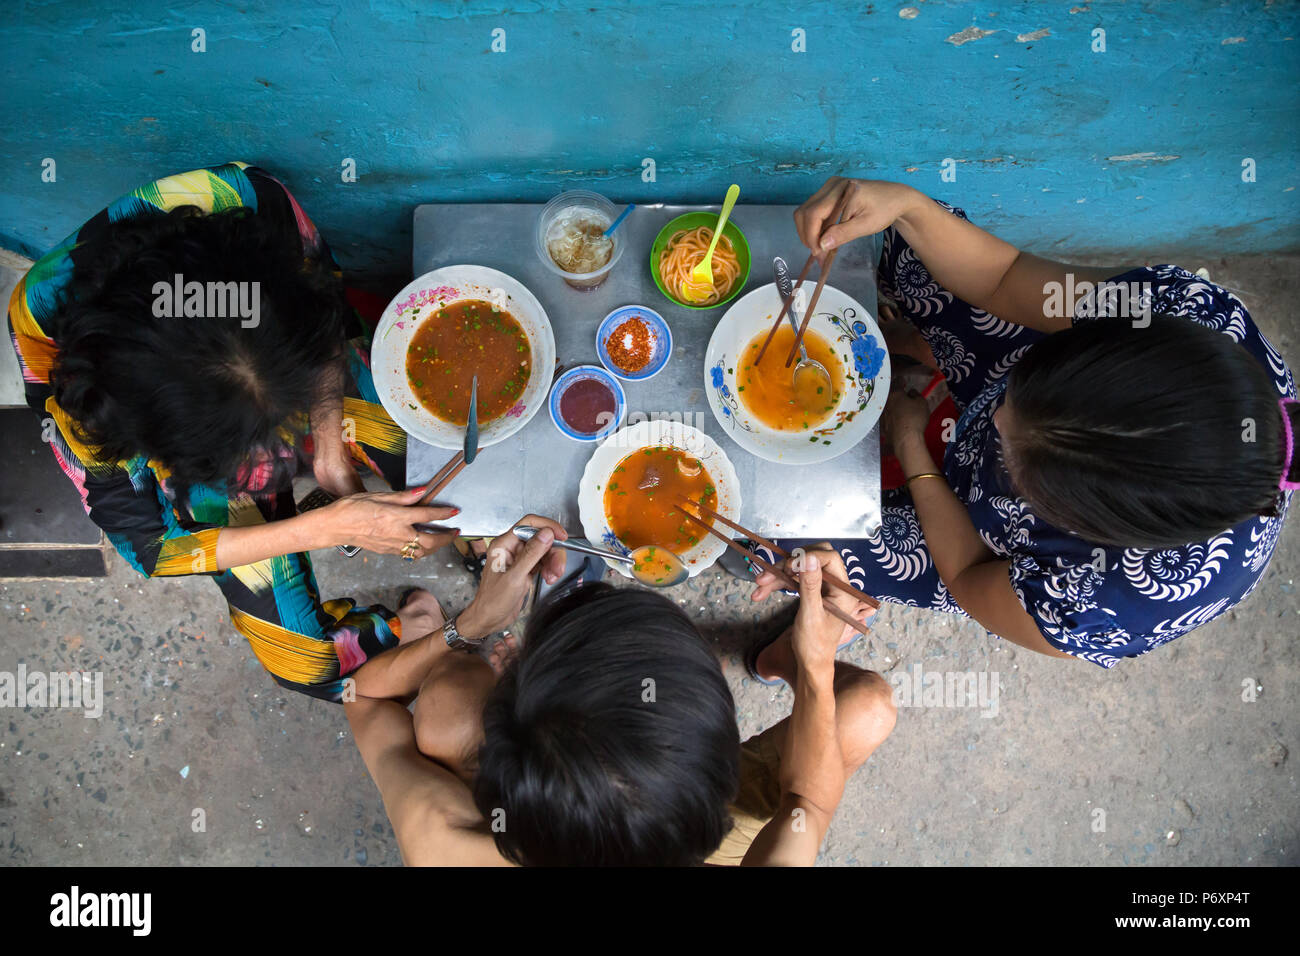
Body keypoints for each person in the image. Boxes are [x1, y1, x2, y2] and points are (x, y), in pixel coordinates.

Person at [748, 177, 1296, 672]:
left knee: (776, 530)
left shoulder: (1122, 599)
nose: (996, 418)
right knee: (904, 239)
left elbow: (966, 576)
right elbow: (1005, 277)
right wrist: (908, 206)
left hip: (973, 546)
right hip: (1028, 370)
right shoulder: (1181, 318)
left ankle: (847, 596)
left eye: (1013, 454)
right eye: (1018, 395)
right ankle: (916, 343)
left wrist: (912, 443)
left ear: (1089, 524)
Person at [6, 162, 460, 700]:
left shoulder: (250, 205)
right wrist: (330, 528)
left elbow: (323, 311)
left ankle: (472, 525)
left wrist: (331, 446)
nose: (281, 463)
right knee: (312, 667)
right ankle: (414, 628)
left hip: (310, 384)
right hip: (206, 448)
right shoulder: (72, 374)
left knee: (454, 460)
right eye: (260, 454)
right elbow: (153, 549)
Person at [344, 515, 896, 866]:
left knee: (447, 704)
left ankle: (423, 633)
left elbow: (360, 697)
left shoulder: (445, 843)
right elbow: (809, 800)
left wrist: (469, 626)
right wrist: (815, 661)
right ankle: (784, 660)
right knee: (867, 708)